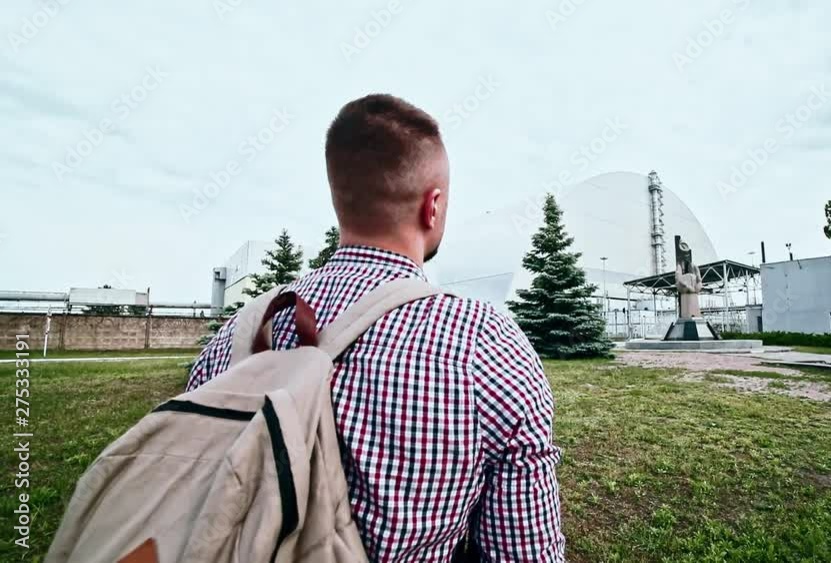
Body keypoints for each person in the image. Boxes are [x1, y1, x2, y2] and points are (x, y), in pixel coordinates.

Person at [187, 94, 564, 562]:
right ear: (433, 206)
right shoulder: (485, 344)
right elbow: (524, 552)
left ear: (339, 199)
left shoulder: (238, 333)